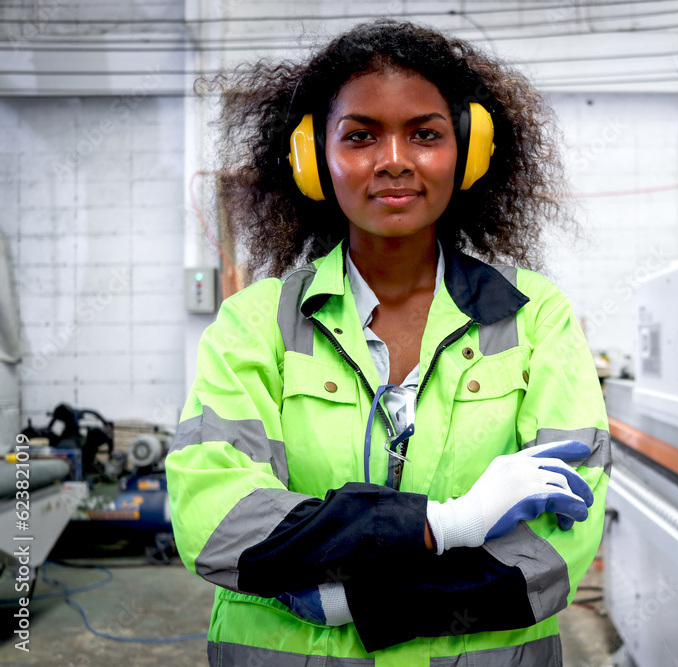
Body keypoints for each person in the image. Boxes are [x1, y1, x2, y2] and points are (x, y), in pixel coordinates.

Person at [165, 19, 611, 667]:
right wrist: (446, 524)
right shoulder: (254, 323)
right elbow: (214, 516)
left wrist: (352, 601)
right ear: (313, 157)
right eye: (361, 135)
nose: (394, 159)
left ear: (470, 151)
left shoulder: (533, 316)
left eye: (425, 134)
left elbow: (559, 541)